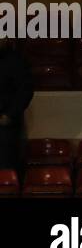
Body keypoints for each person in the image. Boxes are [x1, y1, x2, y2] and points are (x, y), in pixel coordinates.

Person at [0, 38, 34, 171]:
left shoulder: (16, 61)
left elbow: (25, 91)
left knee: (5, 167)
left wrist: (8, 115)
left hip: (5, 126)